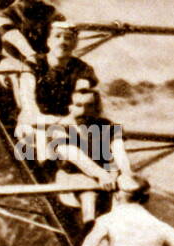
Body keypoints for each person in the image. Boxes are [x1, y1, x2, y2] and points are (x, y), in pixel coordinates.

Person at [51, 80, 139, 223]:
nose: (84, 111)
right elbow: (74, 156)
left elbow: (119, 152)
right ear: (70, 107)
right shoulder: (59, 128)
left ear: (97, 107)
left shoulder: (108, 125)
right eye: (78, 106)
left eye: (89, 106)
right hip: (74, 175)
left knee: (126, 195)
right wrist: (101, 174)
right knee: (89, 197)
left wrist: (124, 173)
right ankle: (89, 225)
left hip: (105, 175)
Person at [0, 0, 65, 64]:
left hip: (45, 57)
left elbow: (60, 31)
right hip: (16, 59)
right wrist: (31, 54)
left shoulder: (49, 11)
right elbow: (12, 35)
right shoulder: (5, 14)